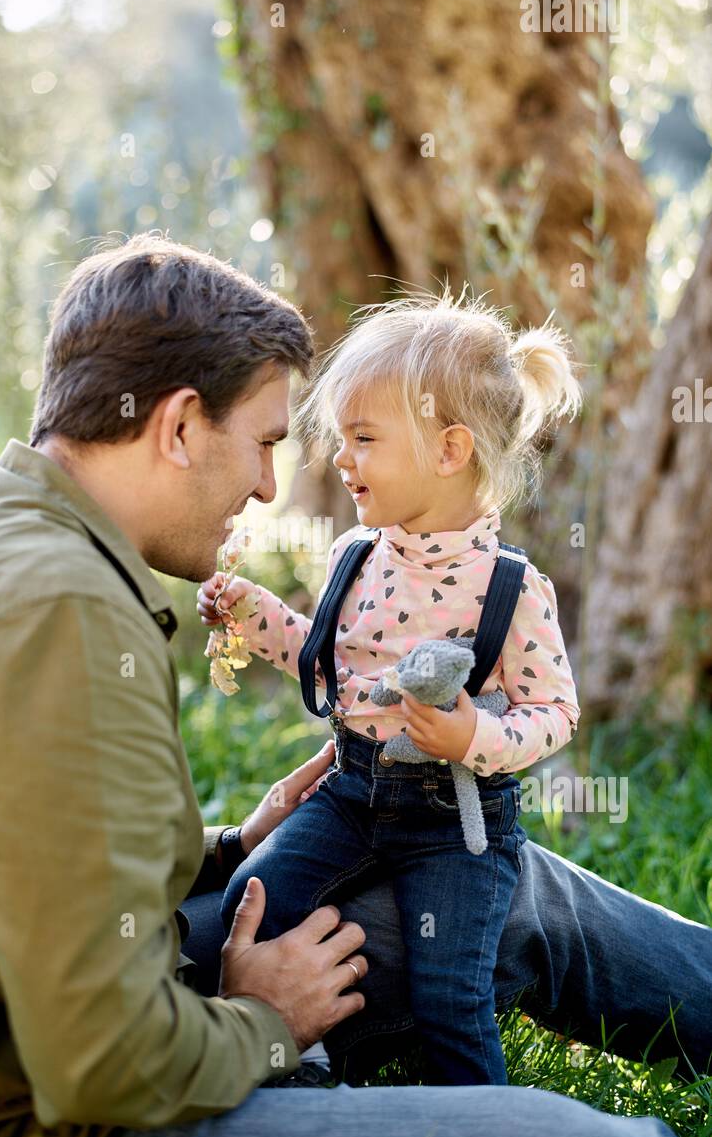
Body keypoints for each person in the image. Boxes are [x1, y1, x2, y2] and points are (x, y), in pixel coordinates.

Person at [0, 233, 710, 1137]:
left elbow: (34, 866)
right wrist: (261, 1023)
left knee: (504, 894)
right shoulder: (60, 620)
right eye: (262, 442)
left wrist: (227, 848)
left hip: (77, 1007)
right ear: (177, 427)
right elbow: (94, 1059)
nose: (269, 484)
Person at [203, 291, 582, 1087]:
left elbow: (556, 712)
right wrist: (249, 611)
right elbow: (323, 661)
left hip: (454, 817)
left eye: (364, 439)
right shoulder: (358, 554)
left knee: (452, 993)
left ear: (450, 450)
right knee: (256, 897)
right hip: (351, 788)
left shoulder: (508, 587)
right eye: (342, 439)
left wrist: (477, 738)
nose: (342, 460)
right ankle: (298, 1062)